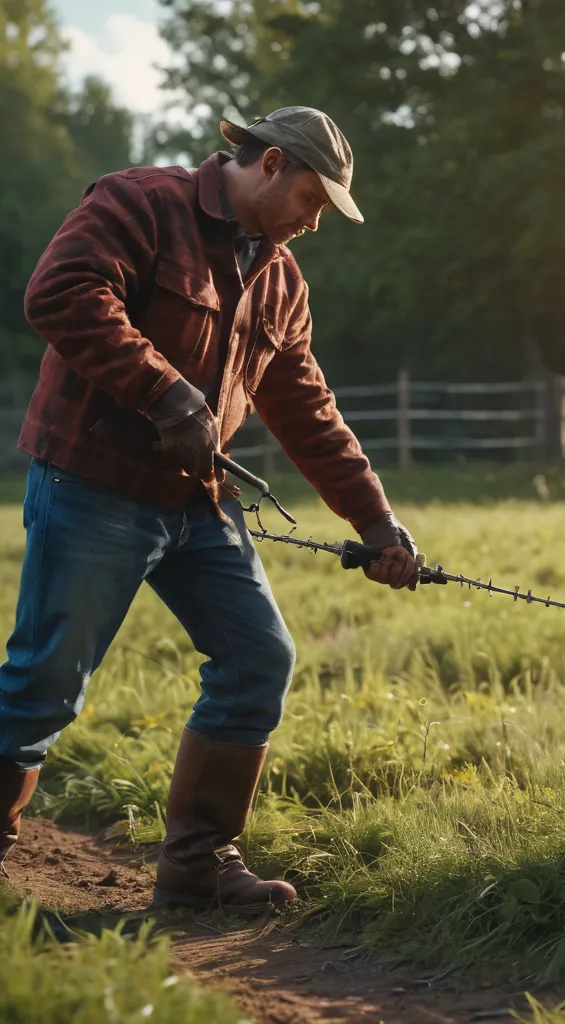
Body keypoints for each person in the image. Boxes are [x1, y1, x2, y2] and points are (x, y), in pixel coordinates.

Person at [0, 107, 418, 913]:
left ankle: (195, 866)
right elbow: (59, 292)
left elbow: (306, 407)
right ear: (269, 165)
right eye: (312, 198)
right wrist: (163, 390)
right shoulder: (140, 203)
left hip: (199, 503)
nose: (315, 220)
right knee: (45, 683)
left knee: (258, 661)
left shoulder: (283, 280)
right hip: (93, 483)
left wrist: (376, 521)